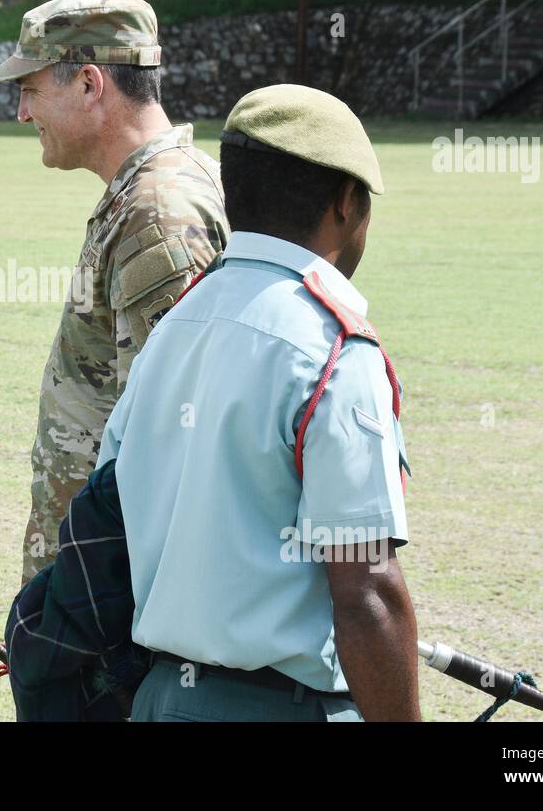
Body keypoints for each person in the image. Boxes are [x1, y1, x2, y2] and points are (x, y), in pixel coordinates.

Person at [95, 84, 420, 721]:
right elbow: (366, 591)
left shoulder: (174, 327)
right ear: (346, 203)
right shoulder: (333, 350)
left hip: (158, 699)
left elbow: (110, 511)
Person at [0, 0, 230, 583]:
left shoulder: (160, 209)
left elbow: (170, 433)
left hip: (112, 585)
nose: (22, 113)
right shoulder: (147, 192)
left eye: (31, 89)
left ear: (90, 84)